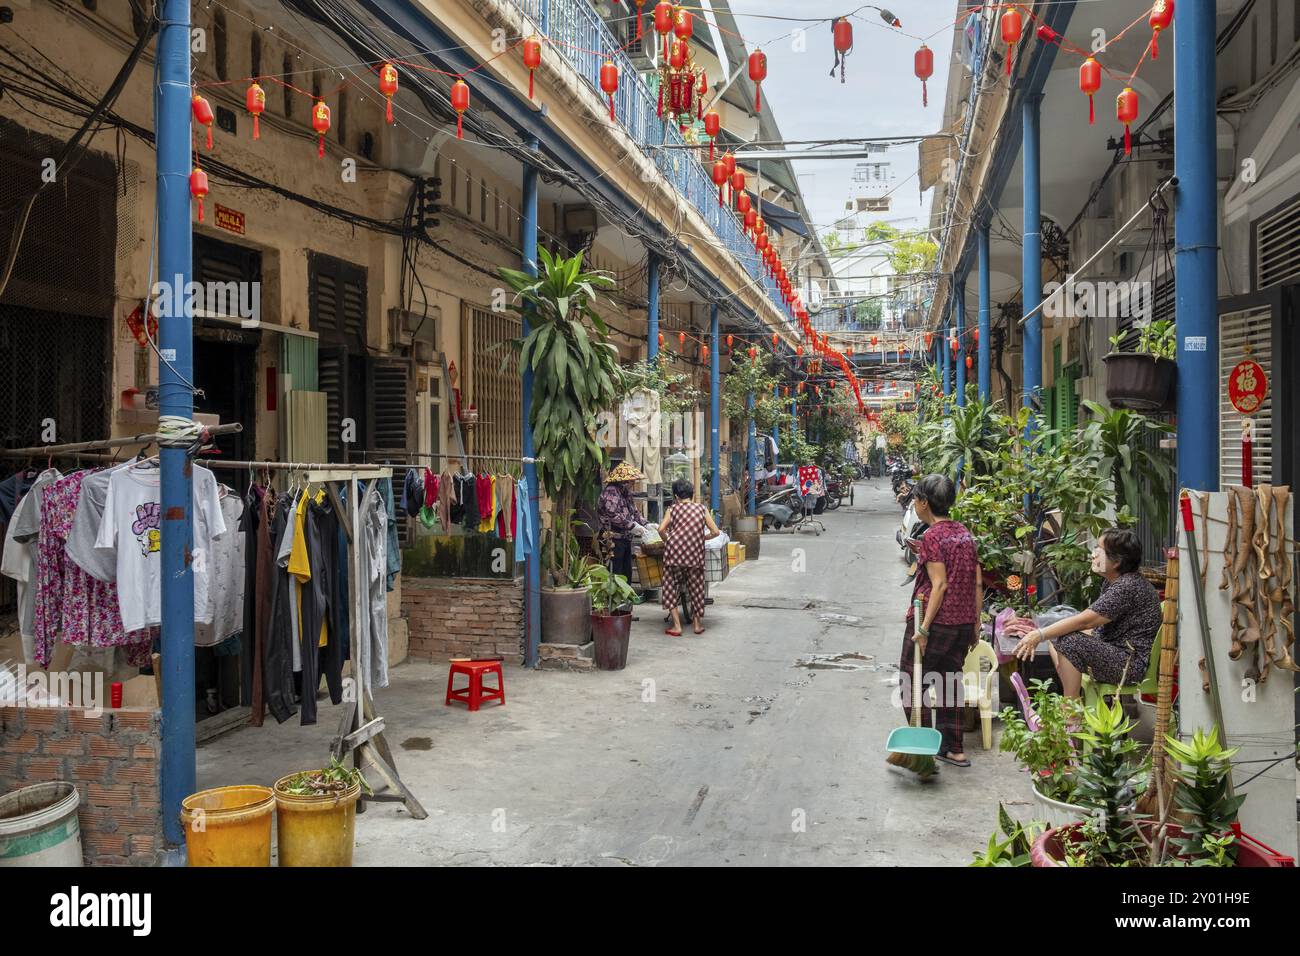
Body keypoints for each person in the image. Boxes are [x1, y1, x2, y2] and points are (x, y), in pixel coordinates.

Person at [1009, 528, 1162, 698]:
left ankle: (1071, 714)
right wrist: (1046, 632)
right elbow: (1092, 625)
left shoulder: (1127, 586)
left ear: (1117, 561)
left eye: (1099, 550)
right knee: (1058, 638)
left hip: (1130, 665)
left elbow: (1086, 621)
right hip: (1115, 652)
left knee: (1068, 642)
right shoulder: (1112, 582)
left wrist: (1038, 635)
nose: (1093, 554)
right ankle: (1074, 701)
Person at [901, 473, 982, 768]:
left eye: (916, 498)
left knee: (912, 682)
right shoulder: (964, 533)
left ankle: (922, 752)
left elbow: (940, 585)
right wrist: (975, 625)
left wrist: (923, 629)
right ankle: (953, 749)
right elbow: (975, 583)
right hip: (962, 623)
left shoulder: (933, 536)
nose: (915, 503)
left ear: (924, 502)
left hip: (936, 622)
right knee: (950, 683)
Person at [657, 478, 721, 636]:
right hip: (694, 556)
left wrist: (669, 541)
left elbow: (660, 529)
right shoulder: (701, 509)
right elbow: (716, 532)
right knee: (697, 589)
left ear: (676, 496)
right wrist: (701, 538)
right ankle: (697, 625)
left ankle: (677, 626)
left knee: (670, 588)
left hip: (674, 555)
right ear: (692, 495)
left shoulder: (672, 509)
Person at [597, 461, 646, 582]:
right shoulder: (611, 491)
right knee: (615, 573)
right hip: (612, 539)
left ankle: (625, 600)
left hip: (624, 538)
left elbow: (634, 512)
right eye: (631, 480)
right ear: (624, 481)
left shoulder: (625, 493)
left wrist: (647, 524)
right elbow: (613, 514)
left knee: (626, 573)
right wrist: (632, 525)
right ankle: (614, 600)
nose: (633, 483)